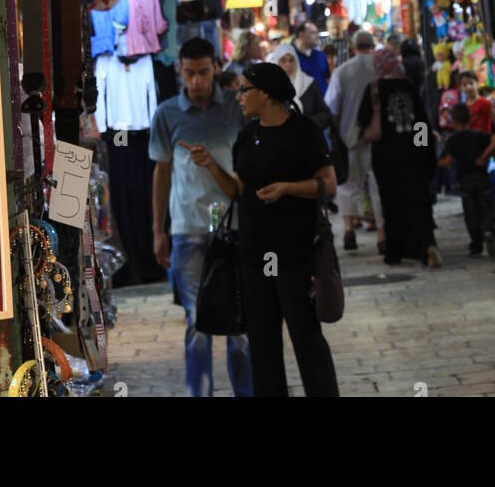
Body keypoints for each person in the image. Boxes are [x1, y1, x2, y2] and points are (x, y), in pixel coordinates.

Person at [183, 61, 340, 398]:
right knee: (262, 343)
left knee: (305, 336)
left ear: (265, 94)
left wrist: (287, 187)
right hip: (253, 254)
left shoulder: (303, 131)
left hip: (294, 252)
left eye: (245, 90)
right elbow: (237, 191)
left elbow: (329, 184)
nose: (238, 96)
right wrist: (211, 165)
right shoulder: (248, 136)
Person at [149, 36, 252, 397]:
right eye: (190, 73)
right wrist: (157, 230)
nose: (196, 81)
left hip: (233, 228)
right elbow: (161, 172)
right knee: (197, 322)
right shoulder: (166, 114)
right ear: (180, 70)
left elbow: (248, 168)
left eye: (203, 73)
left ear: (215, 68)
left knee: (240, 326)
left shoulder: (234, 110)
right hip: (187, 230)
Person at [356, 44, 441, 268]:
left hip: (386, 158)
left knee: (392, 204)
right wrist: (421, 150)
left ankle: (396, 251)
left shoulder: (374, 89)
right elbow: (421, 121)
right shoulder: (408, 86)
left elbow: (363, 120)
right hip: (413, 155)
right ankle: (424, 247)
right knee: (417, 201)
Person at [325, 29, 384, 253]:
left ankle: (349, 230)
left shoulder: (342, 72)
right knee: (378, 184)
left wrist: (341, 128)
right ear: (372, 45)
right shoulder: (382, 67)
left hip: (350, 137)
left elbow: (331, 107)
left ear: (352, 47)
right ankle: (382, 233)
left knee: (348, 185)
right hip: (379, 138)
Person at [436, 103, 495, 258]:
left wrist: (434, 163)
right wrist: (484, 157)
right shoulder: (478, 135)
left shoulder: (453, 140)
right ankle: (488, 230)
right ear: (470, 119)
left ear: (453, 121)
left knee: (471, 213)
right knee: (486, 208)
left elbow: (448, 161)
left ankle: (476, 245)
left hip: (465, 180)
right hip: (481, 177)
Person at [267, 43, 333, 131]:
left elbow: (325, 114)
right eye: (283, 60)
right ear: (276, 63)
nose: (288, 64)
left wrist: (305, 124)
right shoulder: (270, 88)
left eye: (291, 60)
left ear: (296, 61)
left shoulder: (309, 83)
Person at [292, 20, 330, 96]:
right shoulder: (291, 58)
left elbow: (327, 79)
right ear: (301, 35)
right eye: (313, 33)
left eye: (317, 32)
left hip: (323, 103)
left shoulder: (321, 56)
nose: (317, 36)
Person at [460, 71, 495, 139]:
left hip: (485, 144)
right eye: (464, 85)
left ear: (477, 84)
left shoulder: (484, 103)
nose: (468, 87)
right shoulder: (464, 107)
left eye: (471, 83)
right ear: (461, 88)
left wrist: (494, 142)